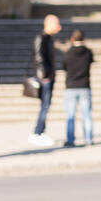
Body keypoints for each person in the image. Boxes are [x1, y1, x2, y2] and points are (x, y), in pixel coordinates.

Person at [27, 13, 61, 146]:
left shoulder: (48, 39)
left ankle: (40, 131)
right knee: (45, 106)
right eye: (57, 24)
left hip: (48, 77)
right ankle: (38, 133)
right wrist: (45, 76)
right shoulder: (41, 38)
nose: (59, 27)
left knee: (45, 106)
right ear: (49, 24)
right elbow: (39, 58)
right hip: (45, 78)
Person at [62, 28, 95, 147]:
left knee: (70, 115)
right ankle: (89, 139)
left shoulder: (68, 53)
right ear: (84, 39)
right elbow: (91, 62)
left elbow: (64, 66)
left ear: (72, 39)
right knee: (87, 115)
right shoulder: (88, 53)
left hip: (71, 86)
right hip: (84, 85)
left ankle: (70, 140)